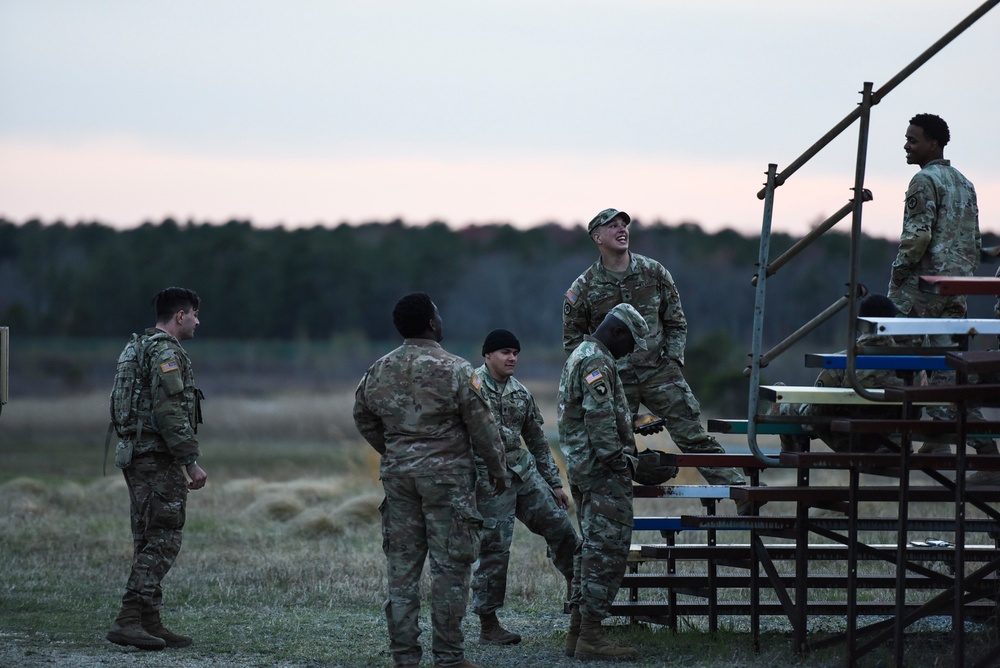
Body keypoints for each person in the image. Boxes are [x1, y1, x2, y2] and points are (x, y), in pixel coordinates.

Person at [353, 292, 507, 668]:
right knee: (450, 568)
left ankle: (404, 657)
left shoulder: (379, 369)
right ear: (431, 324)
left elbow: (363, 415)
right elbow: (483, 427)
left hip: (399, 479)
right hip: (448, 481)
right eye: (437, 314)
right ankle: (450, 658)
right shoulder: (456, 370)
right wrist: (497, 468)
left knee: (402, 572)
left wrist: (395, 449)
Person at [563, 208, 751, 514]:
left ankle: (741, 493)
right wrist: (594, 377)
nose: (622, 229)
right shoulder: (582, 288)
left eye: (624, 224)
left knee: (694, 437)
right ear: (597, 237)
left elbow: (676, 322)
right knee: (613, 449)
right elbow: (573, 342)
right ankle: (611, 523)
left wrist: (674, 360)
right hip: (615, 380)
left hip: (659, 372)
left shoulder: (654, 272)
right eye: (612, 226)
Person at [886, 114, 996, 461]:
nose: (906, 145)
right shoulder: (964, 183)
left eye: (913, 140)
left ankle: (895, 444)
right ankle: (977, 446)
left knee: (894, 364)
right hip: (957, 287)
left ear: (933, 144)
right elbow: (972, 239)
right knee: (946, 376)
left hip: (922, 289)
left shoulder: (923, 180)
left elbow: (918, 237)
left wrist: (898, 274)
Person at [106, 287, 208, 651]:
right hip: (156, 457)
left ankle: (149, 621)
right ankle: (129, 617)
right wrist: (190, 462)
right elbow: (169, 412)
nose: (198, 321)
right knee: (165, 536)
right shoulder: (165, 351)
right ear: (180, 316)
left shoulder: (136, 346)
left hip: (134, 453)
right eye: (195, 314)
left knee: (147, 537)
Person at [470, 329, 580, 646]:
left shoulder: (520, 392)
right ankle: (489, 626)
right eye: (505, 352)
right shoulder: (470, 389)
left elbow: (536, 441)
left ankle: (578, 592)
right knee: (494, 550)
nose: (512, 358)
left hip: (523, 473)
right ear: (487, 355)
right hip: (487, 479)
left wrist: (554, 484)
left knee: (561, 527)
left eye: (516, 352)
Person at [558, 303, 647, 661]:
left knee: (591, 549)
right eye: (632, 342)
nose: (632, 351)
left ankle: (578, 633)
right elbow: (599, 421)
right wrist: (622, 463)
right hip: (602, 472)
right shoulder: (597, 360)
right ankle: (591, 637)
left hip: (584, 468)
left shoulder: (580, 353)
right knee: (606, 553)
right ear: (617, 332)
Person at [775, 295, 910, 454]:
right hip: (891, 442)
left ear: (860, 323)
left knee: (787, 403)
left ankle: (788, 448)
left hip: (846, 440)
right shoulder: (910, 365)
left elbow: (817, 406)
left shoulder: (841, 363)